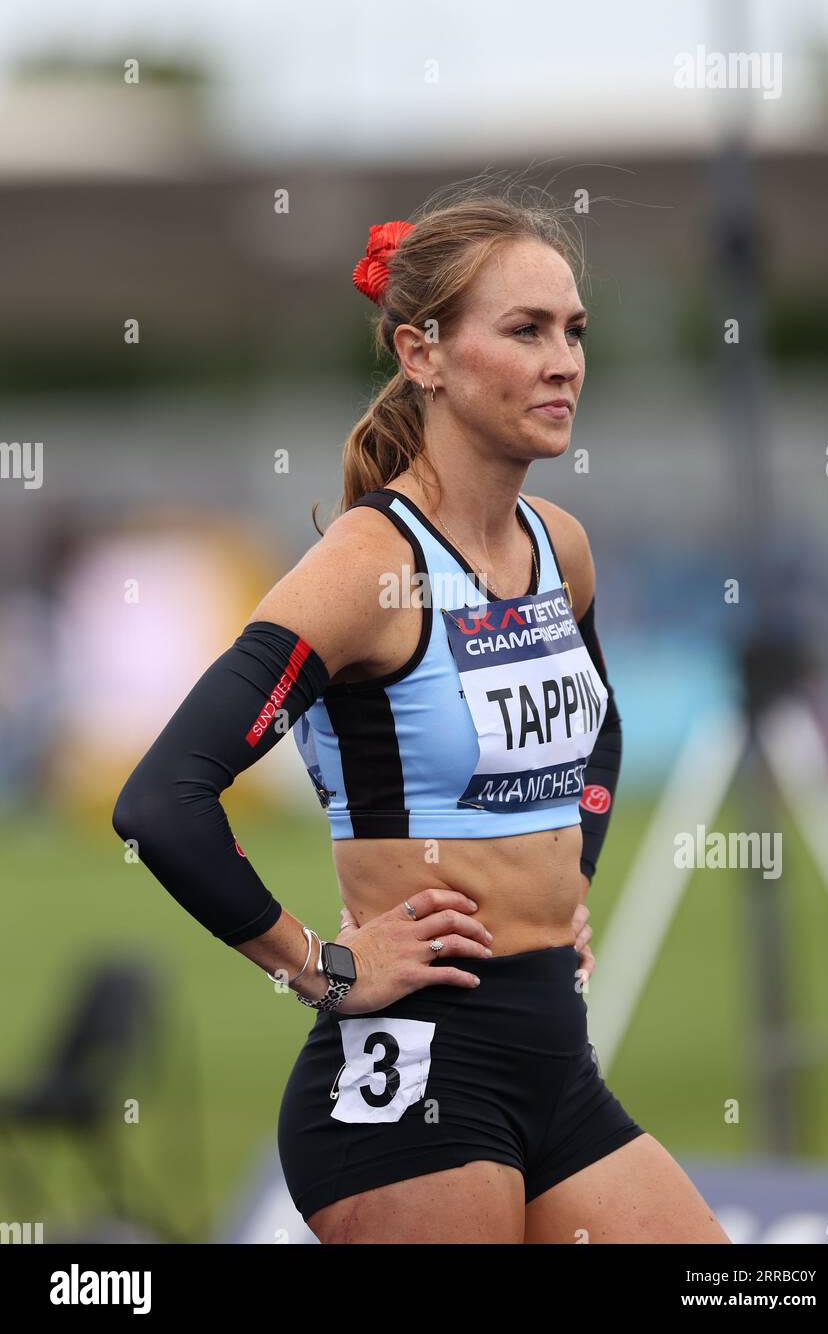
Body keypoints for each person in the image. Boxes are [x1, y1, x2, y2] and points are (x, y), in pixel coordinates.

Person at [112, 184, 730, 1245]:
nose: (563, 361)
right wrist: (321, 965)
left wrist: (566, 880)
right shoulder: (365, 567)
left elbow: (601, 730)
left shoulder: (559, 548)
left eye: (573, 331)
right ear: (422, 353)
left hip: (555, 1069)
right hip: (414, 1093)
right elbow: (163, 799)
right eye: (525, 330)